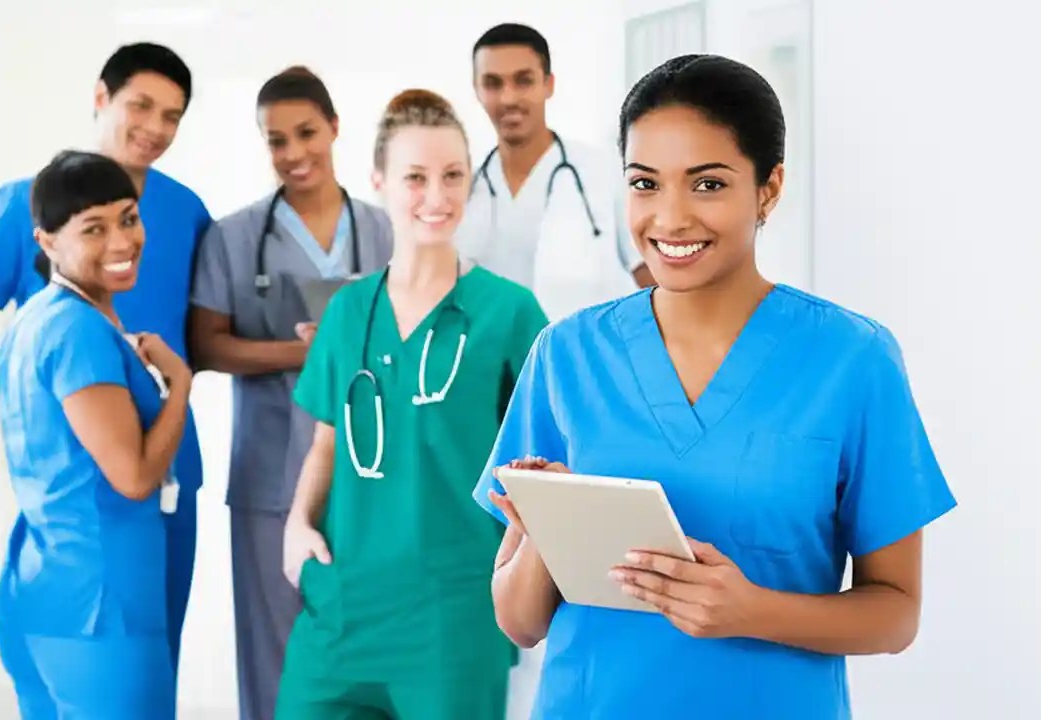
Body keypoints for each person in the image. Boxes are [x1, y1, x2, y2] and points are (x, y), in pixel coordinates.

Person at [474, 54, 957, 720]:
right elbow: (519, 622)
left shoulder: (853, 360)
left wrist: (751, 610)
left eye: (707, 185)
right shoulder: (567, 355)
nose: (669, 218)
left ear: (769, 188)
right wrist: (546, 532)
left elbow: (896, 613)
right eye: (645, 183)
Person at [0, 42, 209, 671]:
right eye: (140, 106)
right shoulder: (25, 204)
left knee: (154, 664)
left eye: (172, 116)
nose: (154, 129)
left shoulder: (186, 210)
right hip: (78, 476)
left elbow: (204, 333)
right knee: (82, 656)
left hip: (169, 463)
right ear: (101, 97)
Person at [277, 89, 548, 720]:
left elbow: (548, 466)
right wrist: (297, 525)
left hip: (453, 618)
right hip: (342, 607)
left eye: (453, 176)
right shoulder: (348, 310)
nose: (437, 197)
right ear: (378, 182)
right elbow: (327, 441)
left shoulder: (509, 314)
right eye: (416, 177)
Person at [188, 66, 394, 720]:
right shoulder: (233, 236)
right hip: (270, 478)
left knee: (369, 653)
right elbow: (207, 345)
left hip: (372, 475)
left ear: (335, 128)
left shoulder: (385, 230)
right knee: (273, 657)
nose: (294, 152)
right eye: (276, 140)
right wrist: (304, 353)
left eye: (306, 132)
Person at [0, 150, 190, 719]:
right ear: (46, 241)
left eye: (128, 218)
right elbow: (132, 476)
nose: (122, 242)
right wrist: (178, 385)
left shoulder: (35, 319)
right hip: (102, 616)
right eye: (93, 229)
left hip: (42, 598)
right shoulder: (79, 332)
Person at [457, 22, 655, 322]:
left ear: (548, 84)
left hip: (592, 360)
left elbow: (652, 274)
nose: (509, 98)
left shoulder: (601, 173)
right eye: (493, 83)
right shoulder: (465, 190)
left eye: (523, 81)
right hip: (500, 365)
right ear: (477, 90)